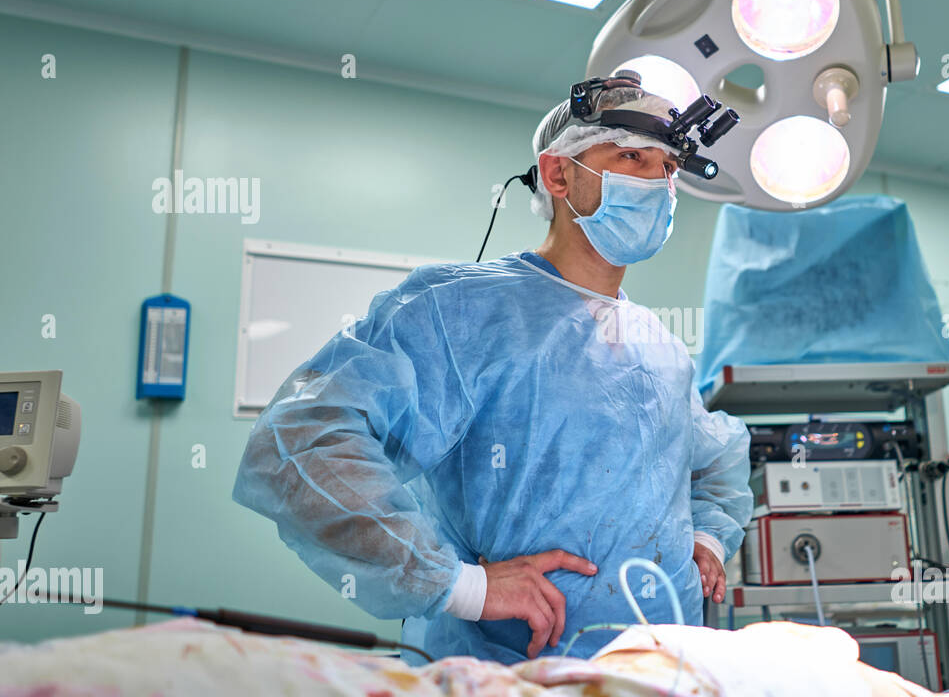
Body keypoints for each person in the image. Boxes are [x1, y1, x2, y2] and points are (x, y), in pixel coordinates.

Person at [232, 76, 752, 665]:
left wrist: (707, 537)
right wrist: (461, 585)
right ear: (558, 175)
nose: (656, 182)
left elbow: (718, 461)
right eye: (630, 156)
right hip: (504, 681)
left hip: (660, 672)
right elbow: (301, 441)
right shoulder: (459, 311)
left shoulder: (660, 349)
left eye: (668, 167)